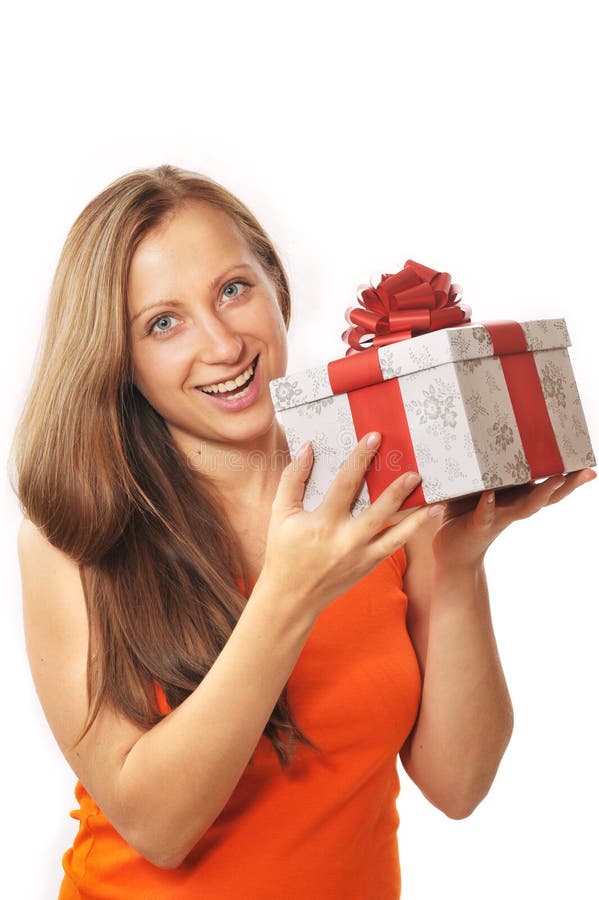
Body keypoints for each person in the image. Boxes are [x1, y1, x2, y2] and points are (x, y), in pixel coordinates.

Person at [12, 164, 595, 900]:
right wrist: (288, 594)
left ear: (274, 285)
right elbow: (158, 827)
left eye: (233, 289)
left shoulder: (375, 481)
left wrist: (455, 568)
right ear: (120, 361)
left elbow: (459, 784)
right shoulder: (78, 536)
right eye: (163, 322)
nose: (224, 344)